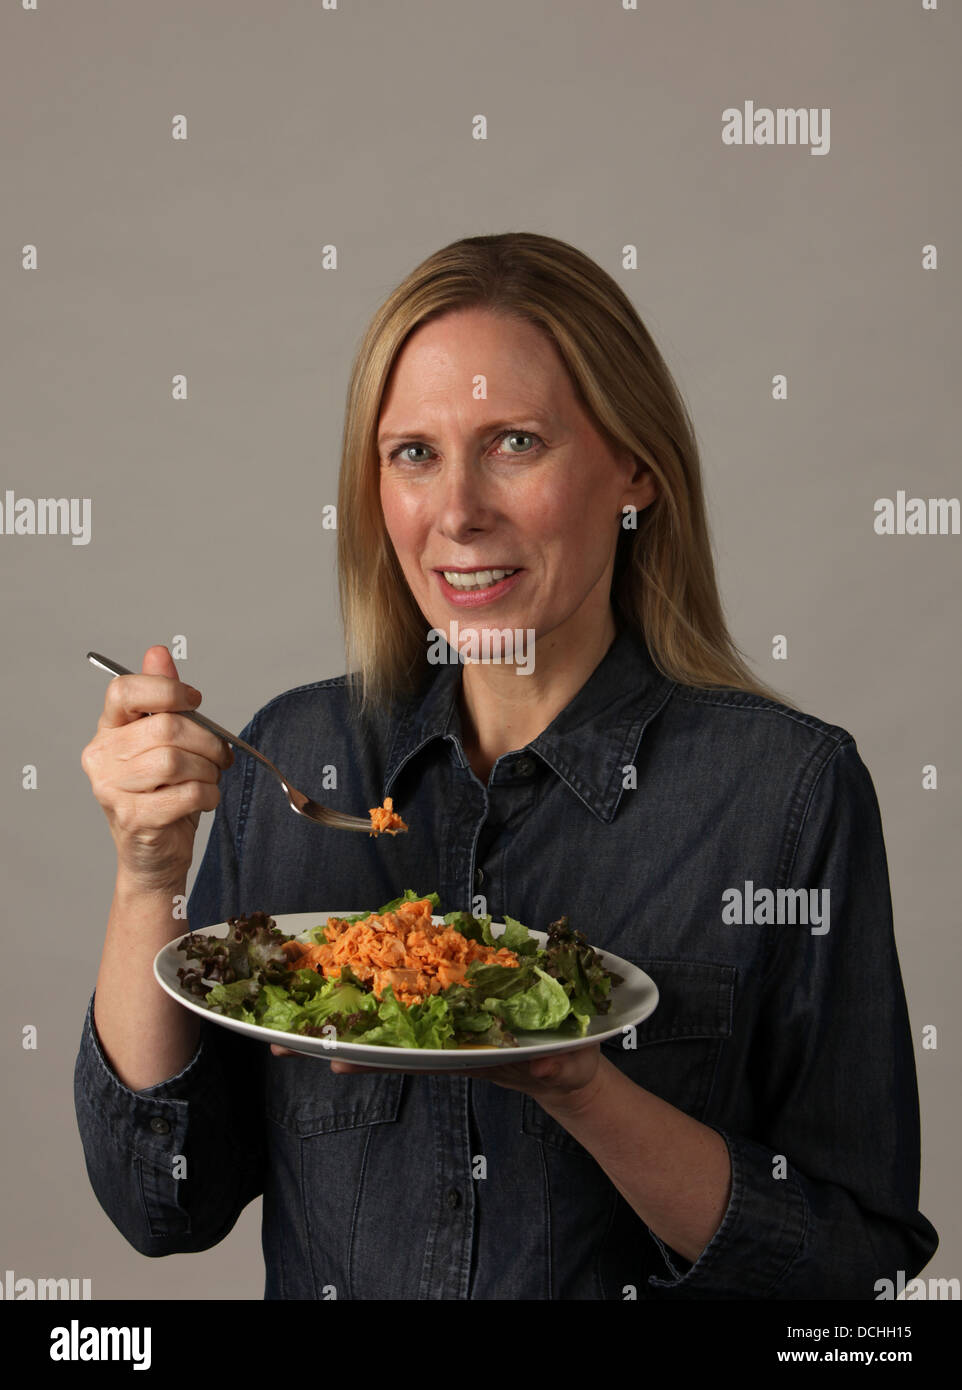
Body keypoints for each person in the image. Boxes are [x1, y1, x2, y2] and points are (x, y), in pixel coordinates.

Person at [75, 231, 938, 1300]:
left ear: (634, 470)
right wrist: (147, 877)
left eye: (515, 442)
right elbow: (160, 1199)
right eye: (414, 453)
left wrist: (583, 1088)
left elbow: (856, 1288)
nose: (456, 513)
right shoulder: (297, 763)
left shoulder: (786, 796)